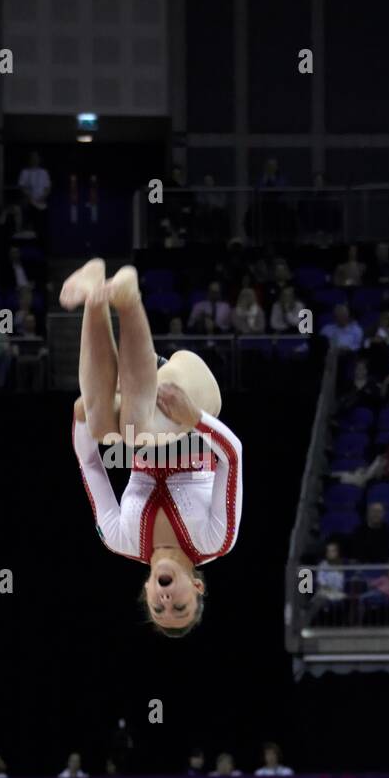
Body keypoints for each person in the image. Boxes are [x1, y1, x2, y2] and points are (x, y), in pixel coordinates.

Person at [65, 258, 242, 636]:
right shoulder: (216, 541)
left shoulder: (120, 539)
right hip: (189, 392)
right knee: (136, 432)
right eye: (179, 606)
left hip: (138, 397)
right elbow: (232, 456)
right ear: (198, 587)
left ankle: (96, 296)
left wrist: (81, 423)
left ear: (145, 592)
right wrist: (196, 418)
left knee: (102, 426)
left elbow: (91, 465)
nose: (166, 600)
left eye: (158, 608)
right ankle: (127, 301)